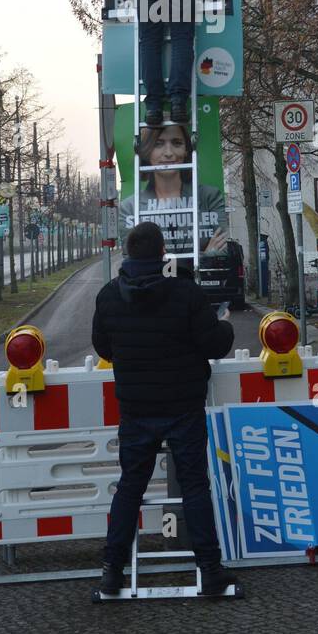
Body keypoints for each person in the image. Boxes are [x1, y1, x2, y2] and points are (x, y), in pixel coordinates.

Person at [91, 221, 236, 597]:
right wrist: (226, 328)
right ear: (161, 254)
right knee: (194, 487)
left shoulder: (108, 296)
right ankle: (210, 570)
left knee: (129, 488)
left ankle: (111, 571)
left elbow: (104, 348)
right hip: (183, 406)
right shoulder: (185, 292)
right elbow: (213, 345)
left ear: (128, 253)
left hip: (136, 408)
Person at [118, 122, 229, 259]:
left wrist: (156, 262)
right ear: (147, 151)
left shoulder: (209, 197)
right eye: (158, 144)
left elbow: (222, 252)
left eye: (177, 143)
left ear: (187, 150)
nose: (169, 153)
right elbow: (132, 260)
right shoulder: (129, 208)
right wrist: (205, 254)